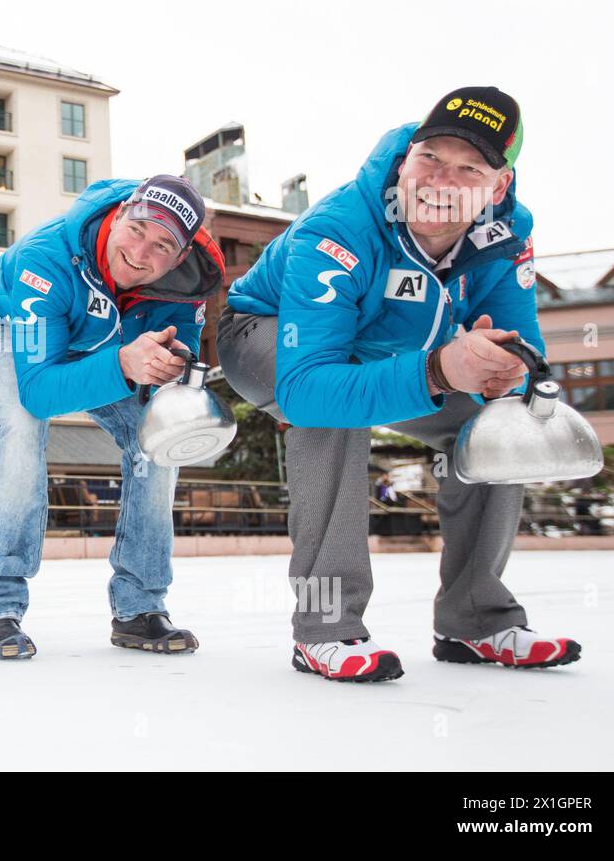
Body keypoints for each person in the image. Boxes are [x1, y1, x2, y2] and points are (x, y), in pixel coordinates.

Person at [218, 86, 581, 681]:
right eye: (431, 158)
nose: (442, 180)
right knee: (331, 409)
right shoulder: (339, 227)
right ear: (407, 157)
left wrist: (507, 375)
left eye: (471, 169)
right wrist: (439, 369)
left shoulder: (510, 233)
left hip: (392, 351)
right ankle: (324, 628)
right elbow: (309, 386)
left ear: (499, 187)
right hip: (266, 332)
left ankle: (476, 619)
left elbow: (522, 338)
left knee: (497, 424)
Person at [0, 175, 225, 659]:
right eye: (139, 229)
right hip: (7, 328)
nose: (142, 253)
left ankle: (139, 607)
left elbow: (180, 337)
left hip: (105, 339)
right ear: (121, 213)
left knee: (158, 436)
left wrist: (174, 365)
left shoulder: (191, 282)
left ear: (181, 257)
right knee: (20, 430)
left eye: (163, 245)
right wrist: (126, 364)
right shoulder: (48, 257)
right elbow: (40, 391)